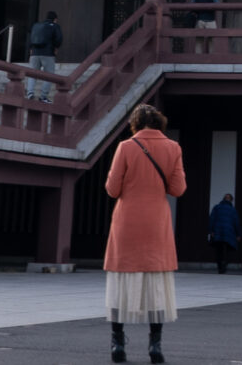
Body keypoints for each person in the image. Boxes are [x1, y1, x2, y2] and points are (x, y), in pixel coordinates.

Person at [102, 103, 185, 364]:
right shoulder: (173, 147)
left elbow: (112, 189)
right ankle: (155, 346)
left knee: (119, 284)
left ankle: (117, 344)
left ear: (135, 123)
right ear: (159, 122)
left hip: (127, 221)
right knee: (156, 286)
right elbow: (178, 189)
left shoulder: (126, 147)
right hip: (156, 221)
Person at [26, 9, 63, 101]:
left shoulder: (36, 25)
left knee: (32, 74)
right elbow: (58, 39)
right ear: (55, 19)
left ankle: (30, 93)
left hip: (34, 53)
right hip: (48, 53)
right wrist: (56, 48)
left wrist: (31, 48)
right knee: (49, 75)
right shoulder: (55, 26)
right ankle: (43, 97)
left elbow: (31, 37)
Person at [205, 191, 239, 273]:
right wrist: (238, 234)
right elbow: (236, 223)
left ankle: (220, 266)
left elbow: (211, 219)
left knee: (218, 250)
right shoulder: (233, 210)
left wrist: (211, 231)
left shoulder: (216, 207)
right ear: (231, 200)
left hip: (218, 233)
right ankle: (224, 265)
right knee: (227, 250)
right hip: (229, 234)